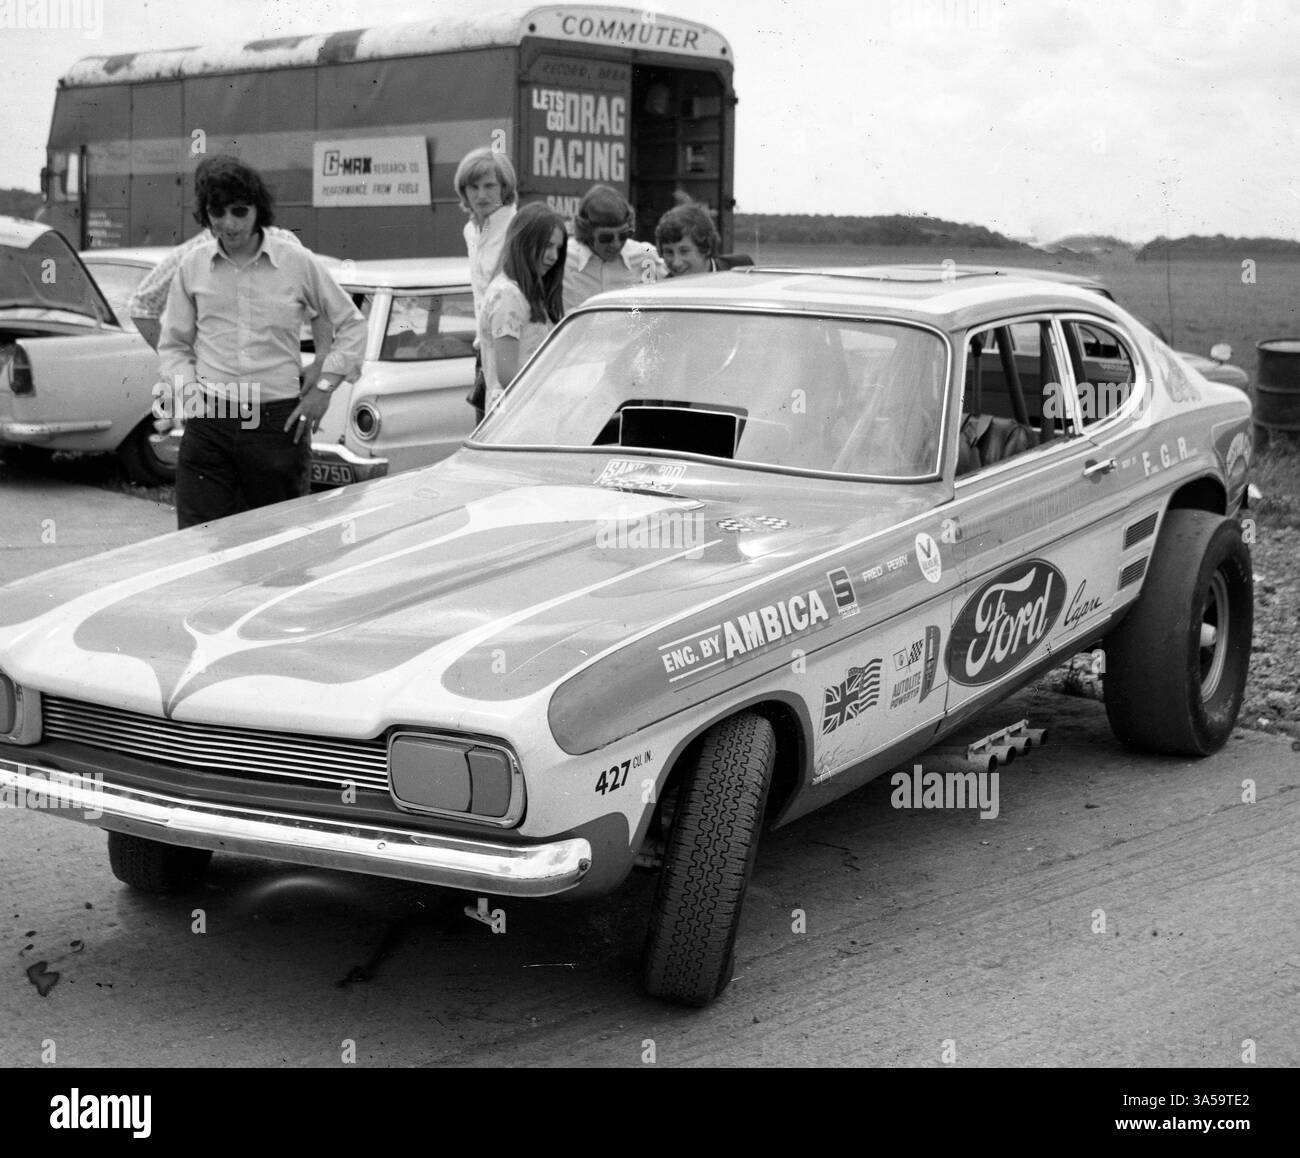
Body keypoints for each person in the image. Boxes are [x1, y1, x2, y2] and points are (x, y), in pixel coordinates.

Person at [158, 157, 367, 529]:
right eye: (217, 212)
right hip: (210, 422)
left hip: (276, 423)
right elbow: (174, 345)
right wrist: (189, 396)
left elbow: (350, 323)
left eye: (240, 211)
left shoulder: (297, 261)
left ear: (258, 210)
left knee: (275, 549)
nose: (229, 223)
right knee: (198, 547)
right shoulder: (192, 267)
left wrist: (323, 387)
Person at [480, 202, 566, 409]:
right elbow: (508, 375)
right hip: (516, 416)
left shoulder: (527, 292)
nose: (554, 256)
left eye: (558, 248)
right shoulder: (507, 295)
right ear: (523, 242)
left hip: (531, 411)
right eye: (547, 245)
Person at [455, 146, 519, 422]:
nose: (481, 195)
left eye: (490, 186)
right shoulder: (471, 230)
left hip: (512, 345)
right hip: (483, 349)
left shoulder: (517, 226)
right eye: (473, 187)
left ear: (505, 188)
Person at [562, 184, 666, 312]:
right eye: (606, 238)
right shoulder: (563, 259)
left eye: (623, 235)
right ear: (586, 233)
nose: (616, 244)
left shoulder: (645, 257)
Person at [655, 204, 754, 276]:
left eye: (684, 251)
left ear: (706, 248)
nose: (676, 262)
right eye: (669, 252)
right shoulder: (662, 292)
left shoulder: (741, 269)